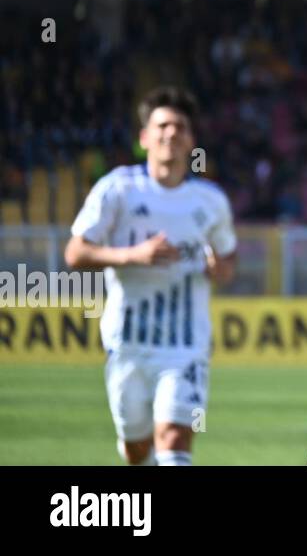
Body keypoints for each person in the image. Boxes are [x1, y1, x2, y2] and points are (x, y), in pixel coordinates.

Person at [64, 86, 238, 465]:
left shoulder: (210, 201)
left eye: (179, 126)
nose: (170, 134)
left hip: (186, 345)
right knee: (137, 448)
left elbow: (227, 262)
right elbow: (76, 252)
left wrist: (217, 268)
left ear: (192, 140)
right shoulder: (117, 189)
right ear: (144, 138)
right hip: (127, 343)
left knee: (173, 437)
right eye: (161, 126)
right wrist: (134, 255)